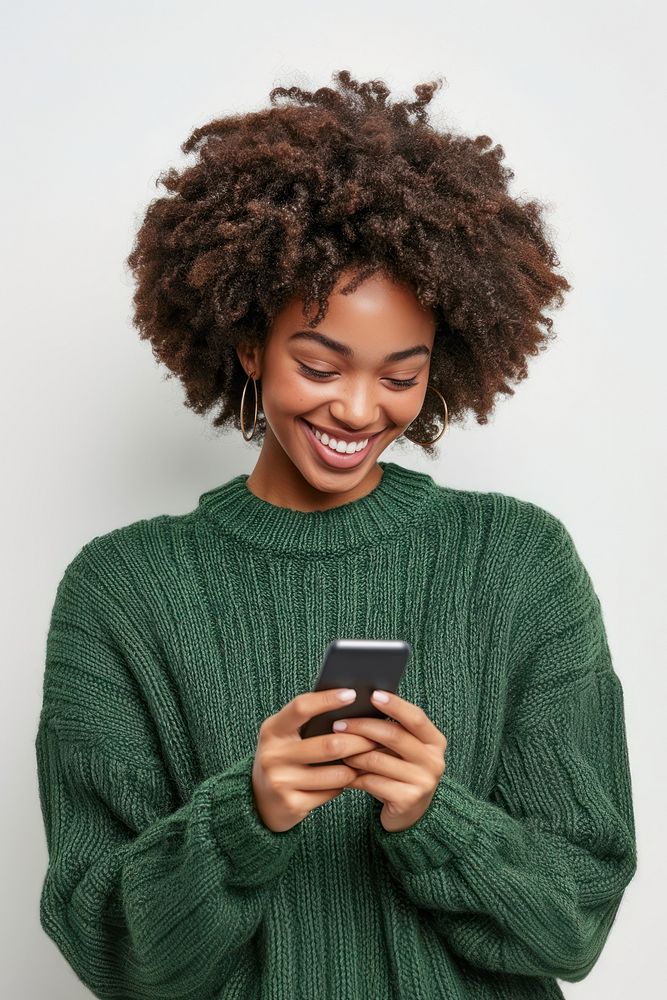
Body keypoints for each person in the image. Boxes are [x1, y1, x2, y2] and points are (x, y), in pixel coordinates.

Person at [35, 70, 637, 999]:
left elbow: (575, 924)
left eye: (401, 375)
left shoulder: (518, 563)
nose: (358, 409)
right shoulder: (122, 590)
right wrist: (250, 813)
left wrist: (435, 816)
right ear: (248, 346)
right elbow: (108, 948)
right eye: (319, 364)